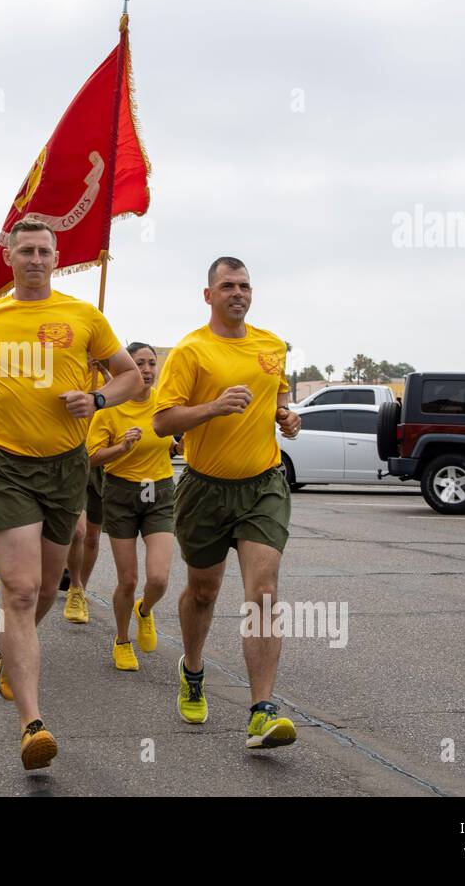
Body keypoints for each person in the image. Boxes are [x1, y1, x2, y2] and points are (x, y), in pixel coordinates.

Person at [0, 218, 142, 770]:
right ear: (8, 254)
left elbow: (129, 378)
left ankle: (11, 653)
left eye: (44, 251)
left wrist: (97, 401)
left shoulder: (83, 316)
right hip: (4, 465)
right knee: (21, 593)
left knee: (48, 585)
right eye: (25, 250)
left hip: (67, 466)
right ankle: (32, 724)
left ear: (56, 256)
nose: (34, 258)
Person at [153, 256, 302, 749]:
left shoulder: (271, 346)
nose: (238, 293)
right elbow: (163, 422)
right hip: (204, 487)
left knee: (263, 591)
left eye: (244, 285)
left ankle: (262, 710)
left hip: (262, 484)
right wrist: (213, 408)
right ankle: (192, 669)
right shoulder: (191, 352)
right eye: (227, 286)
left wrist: (286, 418)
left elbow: (277, 399)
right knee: (203, 593)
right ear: (208, 294)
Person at [86, 342, 175, 671]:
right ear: (128, 369)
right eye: (139, 364)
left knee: (159, 579)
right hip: (121, 493)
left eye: (152, 363)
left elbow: (173, 440)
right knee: (128, 579)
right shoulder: (110, 406)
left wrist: (181, 441)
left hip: (161, 493)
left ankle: (144, 611)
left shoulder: (165, 403)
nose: (148, 370)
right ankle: (122, 639)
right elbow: (92, 457)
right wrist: (122, 446)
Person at [63, 358, 111, 620]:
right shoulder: (68, 370)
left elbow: (122, 400)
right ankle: (72, 582)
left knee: (92, 536)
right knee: (78, 533)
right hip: (72, 460)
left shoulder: (105, 379)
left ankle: (79, 588)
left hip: (100, 464)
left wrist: (104, 372)